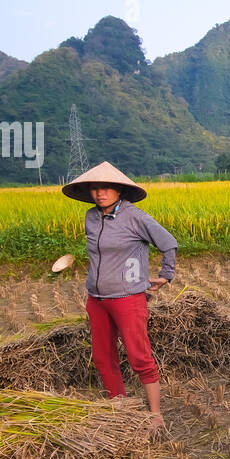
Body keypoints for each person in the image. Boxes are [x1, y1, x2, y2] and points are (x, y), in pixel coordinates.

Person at [62, 161, 177, 435]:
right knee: (103, 356)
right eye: (95, 188)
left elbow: (168, 242)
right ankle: (120, 408)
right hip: (97, 299)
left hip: (127, 298)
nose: (100, 193)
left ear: (119, 190)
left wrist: (166, 274)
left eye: (106, 188)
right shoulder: (91, 217)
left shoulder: (135, 217)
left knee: (140, 357)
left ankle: (156, 415)